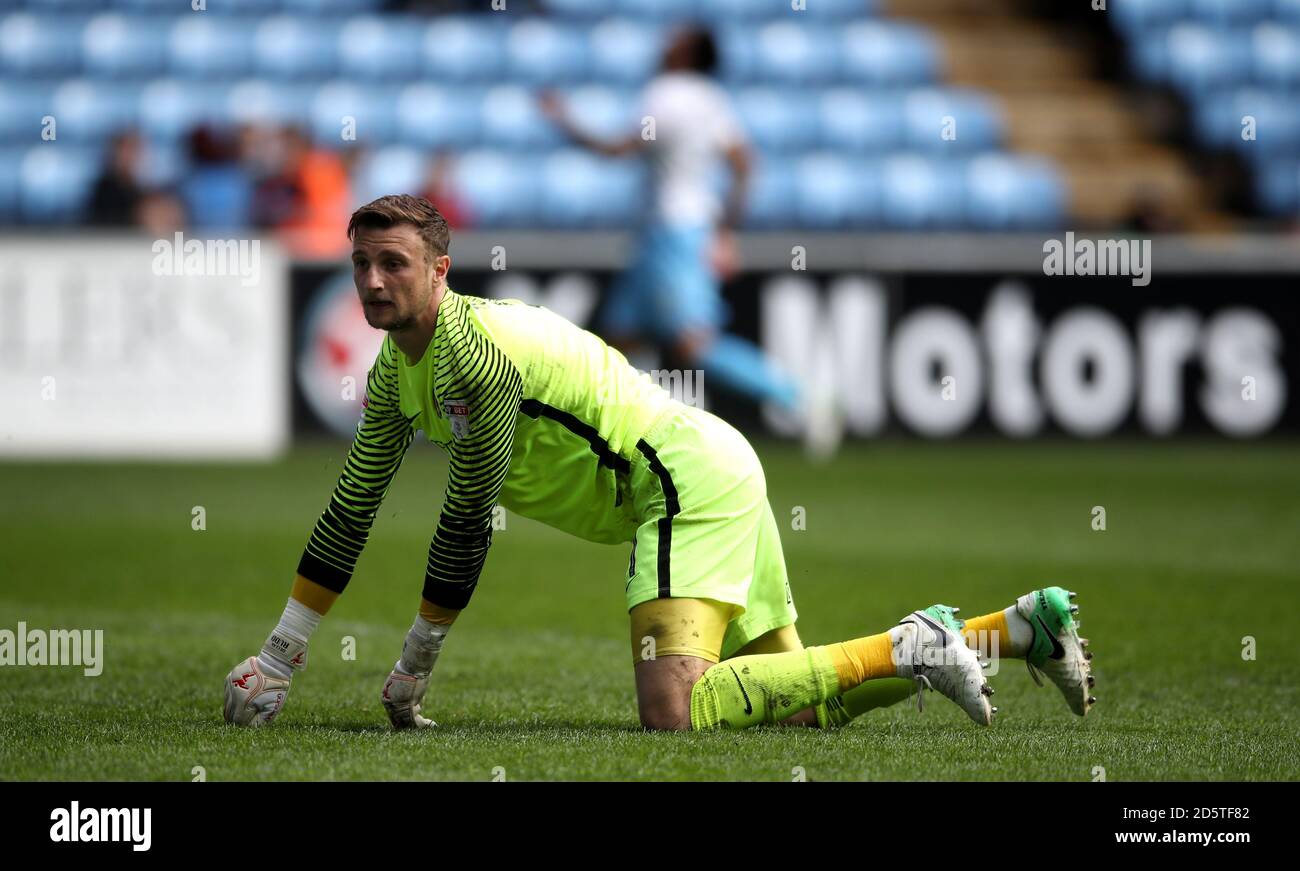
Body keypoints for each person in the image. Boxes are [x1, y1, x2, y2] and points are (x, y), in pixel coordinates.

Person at [223, 195, 1095, 733]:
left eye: (394, 264)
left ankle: (918, 644)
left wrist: (414, 666)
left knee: (673, 709)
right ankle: (1018, 628)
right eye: (361, 264)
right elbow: (350, 508)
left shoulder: (477, 351)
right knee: (793, 706)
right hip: (709, 467)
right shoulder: (392, 374)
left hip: (679, 481)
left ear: (440, 271)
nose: (373, 281)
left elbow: (464, 519)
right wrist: (279, 654)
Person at [539, 27, 841, 456]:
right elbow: (744, 163)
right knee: (618, 338)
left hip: (672, 233)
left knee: (694, 343)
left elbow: (618, 150)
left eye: (675, 40)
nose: (663, 43)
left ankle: (802, 398)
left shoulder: (667, 92)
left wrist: (564, 121)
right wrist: (724, 231)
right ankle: (604, 436)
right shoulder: (711, 98)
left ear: (688, 53)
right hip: (679, 231)